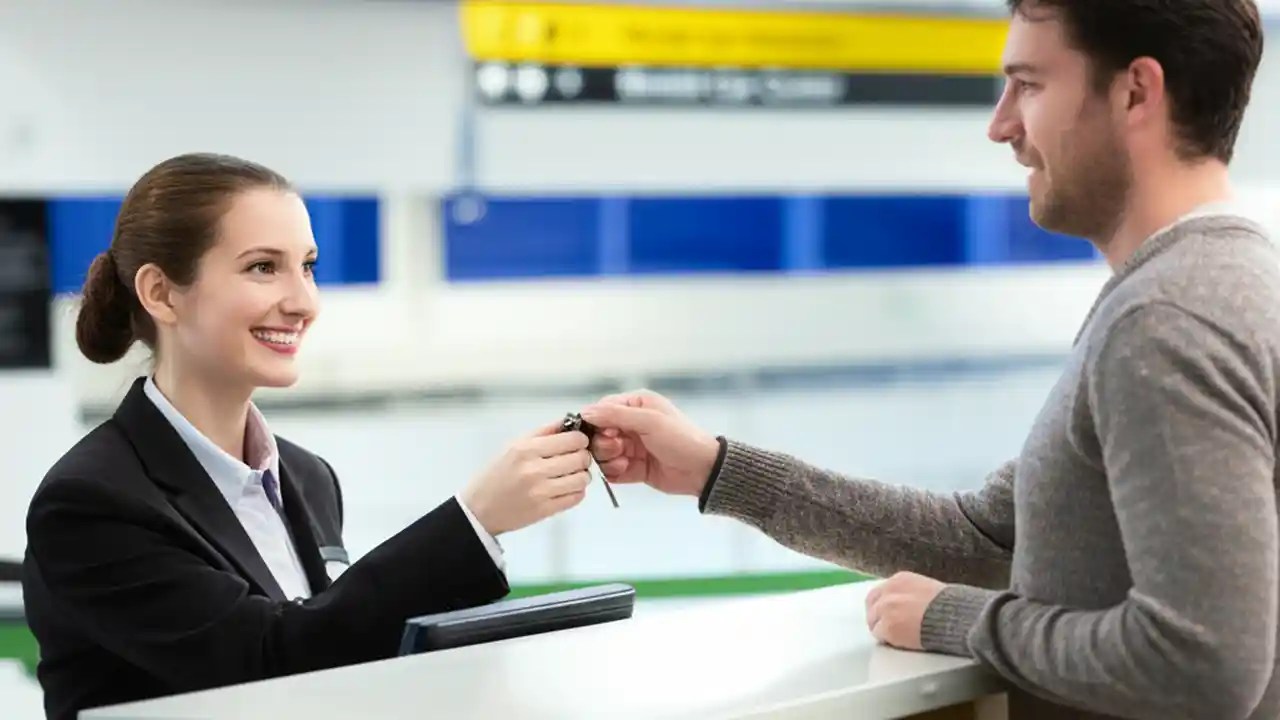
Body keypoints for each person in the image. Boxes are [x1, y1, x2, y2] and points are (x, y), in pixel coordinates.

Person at [582, 1, 1280, 719]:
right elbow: (985, 537)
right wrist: (714, 468)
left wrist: (960, 620)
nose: (1001, 124)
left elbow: (1201, 666)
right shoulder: (1212, 284)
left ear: (1136, 92)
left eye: (1030, 85)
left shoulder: (1165, 320)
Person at [22, 153, 596, 720]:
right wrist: (476, 519)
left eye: (308, 266)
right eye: (263, 267)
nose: (303, 302)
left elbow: (337, 657)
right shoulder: (90, 503)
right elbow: (271, 662)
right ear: (162, 293)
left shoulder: (307, 477)